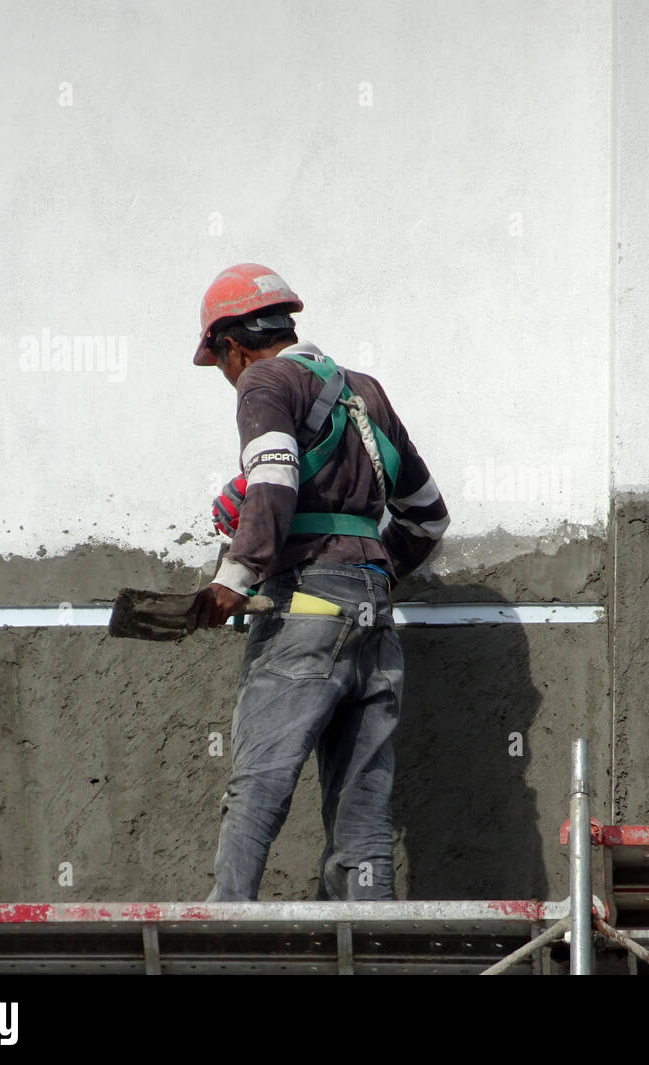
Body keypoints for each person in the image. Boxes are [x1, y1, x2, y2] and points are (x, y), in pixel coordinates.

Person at [186, 262, 449, 902]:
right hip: (374, 616)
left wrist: (234, 576)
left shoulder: (264, 380)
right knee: (364, 806)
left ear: (233, 345)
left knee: (259, 783)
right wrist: (369, 571)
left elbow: (273, 477)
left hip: (304, 605)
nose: (228, 377)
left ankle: (222, 938)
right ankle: (375, 946)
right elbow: (428, 517)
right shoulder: (368, 392)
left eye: (223, 363)